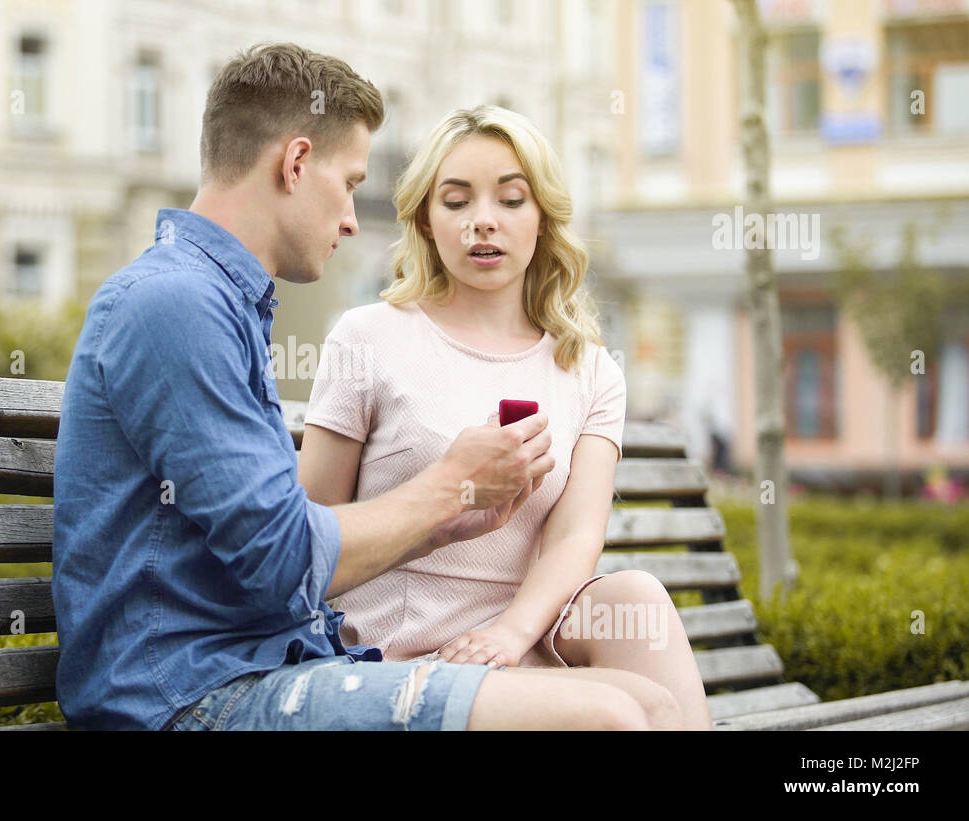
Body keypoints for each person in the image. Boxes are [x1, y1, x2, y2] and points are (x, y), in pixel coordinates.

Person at [53, 42, 683, 731]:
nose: (353, 217)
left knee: (651, 705)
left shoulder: (219, 305)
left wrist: (452, 513)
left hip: (263, 665)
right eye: (350, 182)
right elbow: (283, 560)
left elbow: (281, 547)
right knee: (610, 717)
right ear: (295, 164)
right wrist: (449, 490)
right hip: (189, 694)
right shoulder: (174, 305)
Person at [298, 104, 713, 730]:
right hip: (398, 652)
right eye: (456, 202)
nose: (482, 222)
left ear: (542, 217)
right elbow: (314, 532)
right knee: (649, 711)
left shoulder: (590, 368)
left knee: (638, 601)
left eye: (511, 200)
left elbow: (577, 534)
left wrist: (512, 631)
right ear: (426, 219)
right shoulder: (368, 338)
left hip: (522, 641)